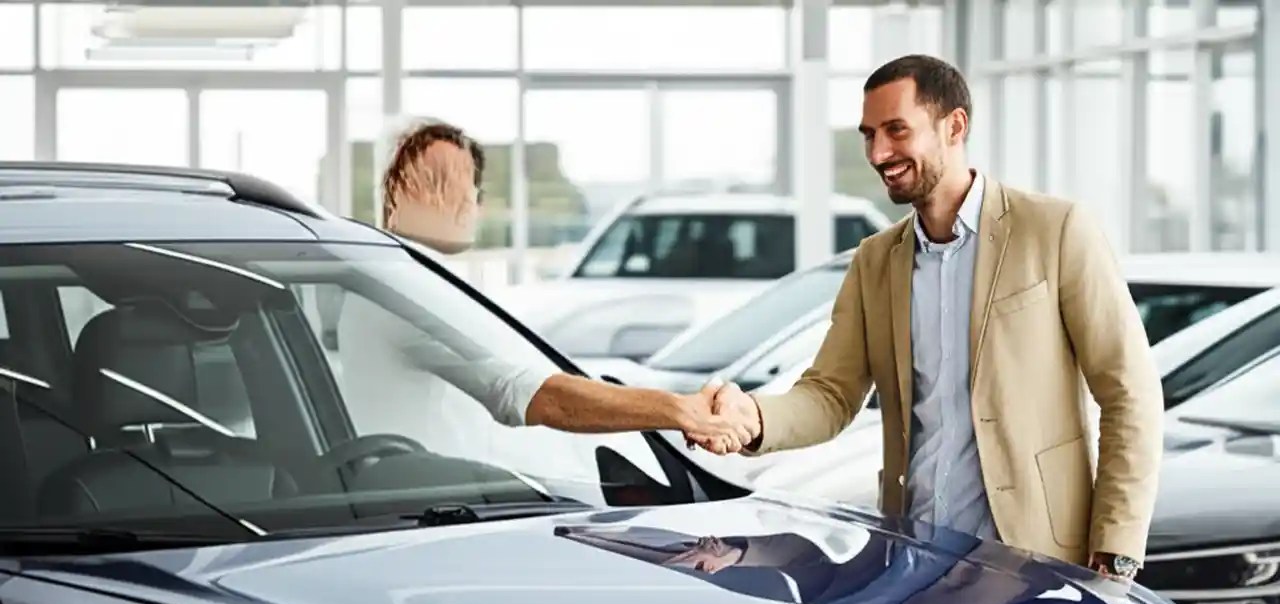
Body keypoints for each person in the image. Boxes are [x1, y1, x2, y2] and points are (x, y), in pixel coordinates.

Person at [694, 55, 1164, 577]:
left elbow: (1129, 391)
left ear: (955, 125)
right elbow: (830, 395)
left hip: (1036, 563)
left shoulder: (1055, 231)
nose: (878, 152)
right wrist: (752, 418)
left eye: (896, 130)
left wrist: (1116, 544)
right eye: (869, 135)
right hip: (912, 560)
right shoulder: (875, 261)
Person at [337, 120, 753, 451]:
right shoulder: (404, 295)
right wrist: (679, 410)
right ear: (398, 193)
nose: (469, 201)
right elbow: (529, 392)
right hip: (425, 512)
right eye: (444, 182)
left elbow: (533, 377)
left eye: (471, 184)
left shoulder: (408, 278)